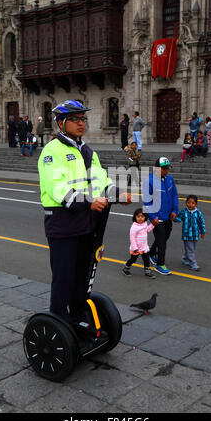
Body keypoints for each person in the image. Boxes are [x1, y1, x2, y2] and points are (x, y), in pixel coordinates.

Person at [38, 99, 131, 327]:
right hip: (62, 225)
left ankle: (78, 317)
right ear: (61, 123)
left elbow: (100, 181)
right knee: (64, 278)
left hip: (85, 224)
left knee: (82, 275)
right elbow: (57, 188)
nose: (81, 123)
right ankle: (58, 322)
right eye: (75, 119)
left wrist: (119, 194)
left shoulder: (87, 151)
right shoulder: (52, 152)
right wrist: (89, 200)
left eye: (83, 119)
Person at [143, 156, 179, 275]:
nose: (167, 171)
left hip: (168, 216)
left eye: (168, 168)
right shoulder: (149, 182)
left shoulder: (169, 179)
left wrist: (174, 210)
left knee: (164, 237)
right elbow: (147, 202)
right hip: (157, 218)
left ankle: (151, 253)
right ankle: (160, 264)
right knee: (162, 241)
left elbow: (174, 195)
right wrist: (153, 218)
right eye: (164, 169)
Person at [122, 208, 155, 279]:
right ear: (135, 217)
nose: (140, 218)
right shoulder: (134, 227)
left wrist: (153, 224)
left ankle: (147, 271)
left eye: (142, 216)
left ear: (145, 217)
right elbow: (132, 238)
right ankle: (126, 268)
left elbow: (147, 230)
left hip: (144, 247)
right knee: (133, 259)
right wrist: (135, 248)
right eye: (138, 216)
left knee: (146, 260)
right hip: (136, 248)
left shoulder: (144, 224)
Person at [174, 195, 205, 271]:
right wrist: (174, 218)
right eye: (189, 202)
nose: (190, 205)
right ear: (186, 203)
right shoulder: (184, 212)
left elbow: (202, 223)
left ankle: (185, 259)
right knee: (190, 249)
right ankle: (193, 264)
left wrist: (202, 232)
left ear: (196, 204)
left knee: (191, 248)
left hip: (195, 235)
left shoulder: (198, 213)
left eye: (193, 203)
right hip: (187, 235)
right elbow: (178, 219)